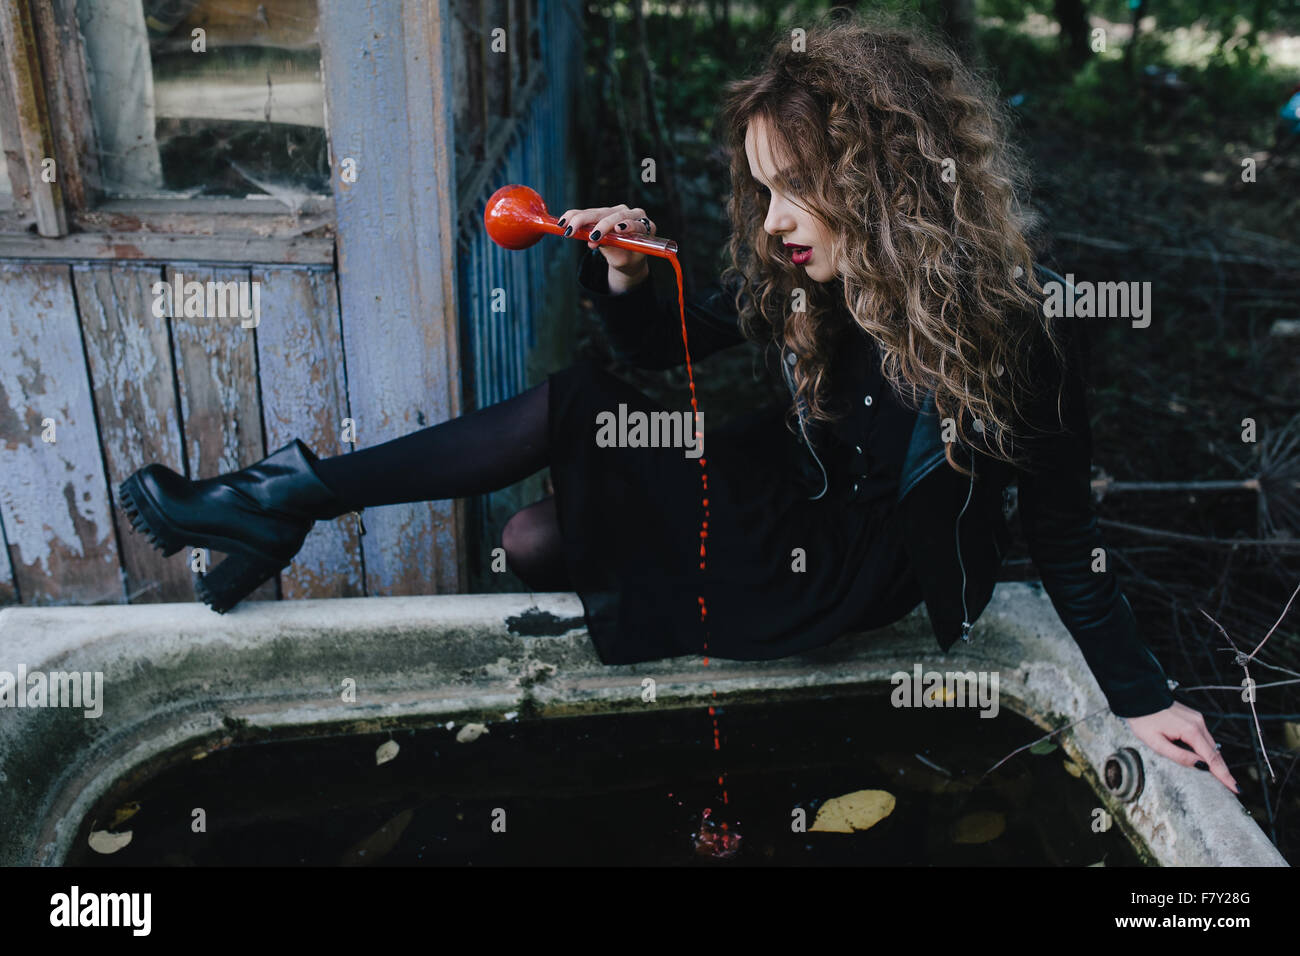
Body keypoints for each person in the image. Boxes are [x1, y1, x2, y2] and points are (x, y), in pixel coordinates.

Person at [117, 12, 1237, 795]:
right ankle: (282, 500)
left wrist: (1140, 700)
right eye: (765, 187)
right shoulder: (819, 276)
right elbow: (671, 349)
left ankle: (285, 496)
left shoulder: (1007, 330)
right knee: (533, 536)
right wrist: (627, 274)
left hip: (840, 563)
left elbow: (1065, 533)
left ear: (886, 180)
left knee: (574, 411)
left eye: (800, 186)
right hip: (775, 485)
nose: (777, 218)